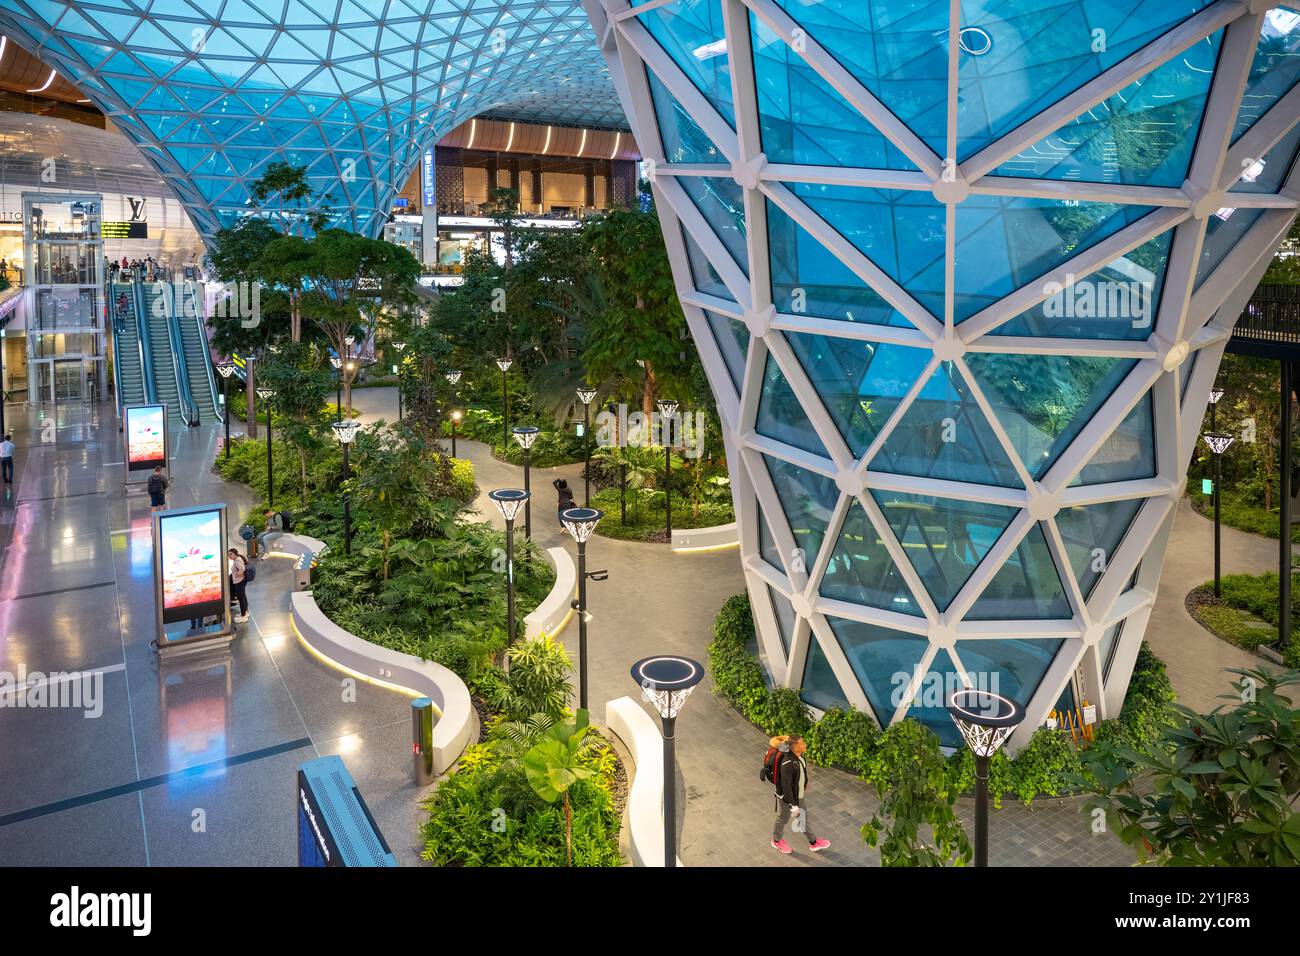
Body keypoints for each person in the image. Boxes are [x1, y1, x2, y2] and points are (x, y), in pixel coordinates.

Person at [767, 735, 831, 855]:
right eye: (802, 743)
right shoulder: (787, 763)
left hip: (798, 795)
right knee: (783, 818)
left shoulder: (800, 756)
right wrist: (793, 806)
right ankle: (776, 840)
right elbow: (786, 787)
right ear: (795, 747)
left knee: (803, 819)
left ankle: (813, 842)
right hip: (786, 798)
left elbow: (802, 771)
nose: (805, 745)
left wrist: (804, 783)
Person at [228, 548, 249, 623]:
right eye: (229, 555)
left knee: (241, 598)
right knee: (243, 597)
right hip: (240, 581)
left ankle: (243, 616)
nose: (229, 556)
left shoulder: (237, 561)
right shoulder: (238, 559)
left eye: (231, 554)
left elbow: (242, 569)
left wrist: (236, 575)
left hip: (239, 581)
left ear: (235, 553)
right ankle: (245, 612)